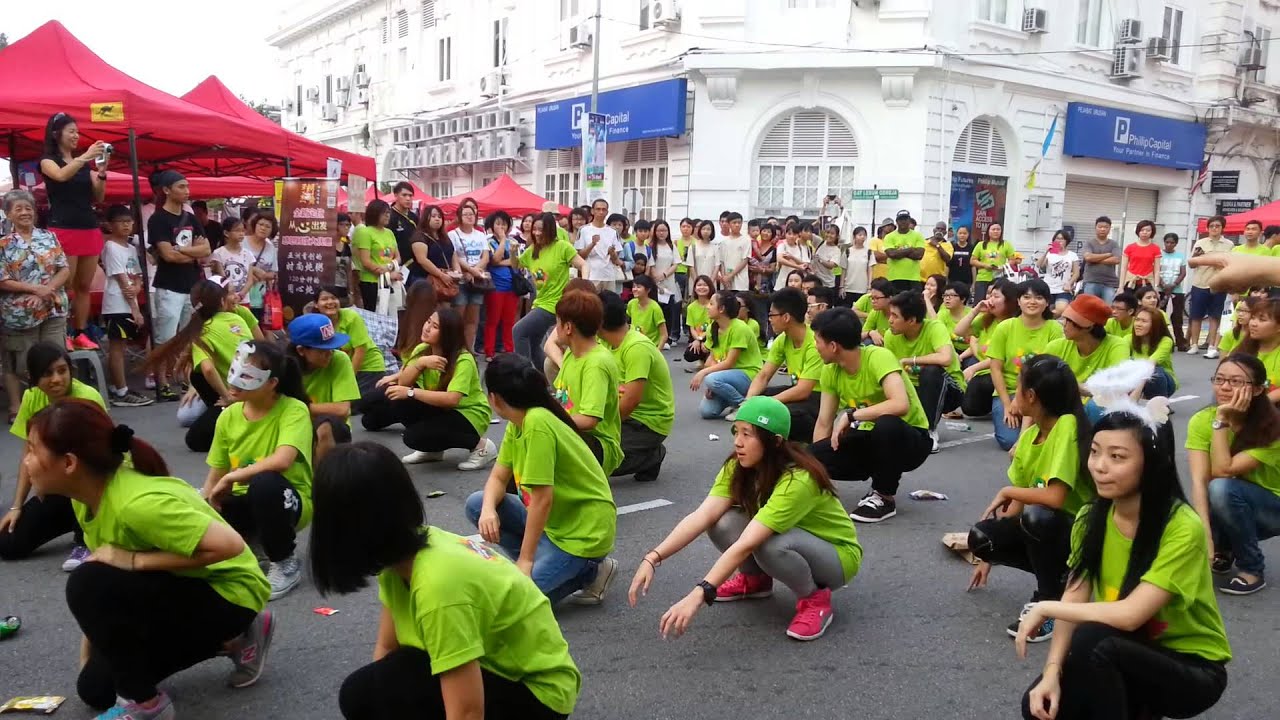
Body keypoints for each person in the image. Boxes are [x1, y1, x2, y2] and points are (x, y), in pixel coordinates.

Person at [24, 401, 273, 720]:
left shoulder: (136, 504)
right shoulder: (85, 499)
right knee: (96, 688)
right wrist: (96, 653)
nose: (27, 461)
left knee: (86, 581)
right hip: (183, 588)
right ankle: (240, 639)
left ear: (69, 462)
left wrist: (132, 560)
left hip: (231, 594)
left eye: (32, 450)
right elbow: (106, 585)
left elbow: (231, 545)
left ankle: (147, 705)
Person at [309, 443, 581, 719]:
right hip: (498, 671)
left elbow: (467, 713)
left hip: (539, 696)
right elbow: (388, 651)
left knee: (386, 684)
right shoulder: (401, 555)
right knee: (365, 692)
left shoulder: (438, 585)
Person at [1016, 410, 1230, 720]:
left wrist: (1045, 608)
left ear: (1151, 463)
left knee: (1093, 640)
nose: (1099, 466)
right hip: (1125, 647)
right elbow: (1075, 594)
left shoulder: (1182, 526)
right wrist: (1052, 671)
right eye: (1094, 452)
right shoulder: (1091, 518)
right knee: (1039, 708)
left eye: (1117, 457)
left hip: (1192, 668)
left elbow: (1131, 614)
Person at [628, 395, 860, 641]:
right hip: (791, 538)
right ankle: (755, 580)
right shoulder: (738, 466)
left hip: (836, 556)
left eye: (747, 434)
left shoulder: (798, 479)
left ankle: (814, 600)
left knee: (769, 544)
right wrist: (653, 558)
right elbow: (702, 515)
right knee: (721, 522)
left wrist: (699, 594)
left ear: (775, 441)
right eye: (735, 432)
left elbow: (748, 542)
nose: (738, 442)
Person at [466, 354, 619, 605]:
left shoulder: (537, 423)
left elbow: (541, 500)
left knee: (513, 605)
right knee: (477, 502)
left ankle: (590, 572)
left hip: (581, 535)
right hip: (554, 525)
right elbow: (497, 477)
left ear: (494, 398)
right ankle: (547, 565)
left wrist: (525, 562)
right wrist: (487, 511)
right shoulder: (520, 421)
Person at [968, 355, 1093, 641]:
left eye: (1019, 387)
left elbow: (1055, 497)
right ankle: (1062, 577)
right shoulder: (1029, 436)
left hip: (1080, 531)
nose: (1014, 394)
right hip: (1051, 528)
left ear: (1032, 396)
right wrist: (988, 553)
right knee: (980, 536)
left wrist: (1007, 491)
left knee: (1038, 516)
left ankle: (1049, 604)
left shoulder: (1067, 425)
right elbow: (1018, 506)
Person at [203, 341, 314, 600]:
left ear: (272, 382)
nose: (235, 382)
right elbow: (215, 476)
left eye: (248, 375)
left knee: (265, 484)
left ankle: (285, 562)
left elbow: (282, 461)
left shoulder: (293, 410)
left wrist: (234, 475)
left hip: (287, 499)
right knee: (207, 503)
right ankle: (255, 545)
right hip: (244, 499)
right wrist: (205, 508)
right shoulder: (227, 417)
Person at [808, 309, 931, 523]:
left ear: (833, 346)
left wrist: (852, 415)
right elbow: (824, 421)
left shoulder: (878, 356)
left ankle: (884, 496)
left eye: (817, 341)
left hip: (909, 441)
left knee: (886, 424)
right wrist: (818, 470)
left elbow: (900, 404)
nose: (815, 347)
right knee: (809, 456)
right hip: (869, 441)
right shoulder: (830, 370)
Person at [0, 342, 102, 569]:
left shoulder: (87, 397)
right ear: (33, 378)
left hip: (91, 484)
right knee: (8, 543)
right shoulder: (31, 398)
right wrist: (16, 506)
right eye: (47, 373)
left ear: (70, 371)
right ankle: (71, 518)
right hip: (60, 487)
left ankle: (86, 536)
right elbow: (29, 453)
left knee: (79, 469)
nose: (56, 379)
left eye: (62, 370)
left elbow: (99, 458)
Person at [1187, 353, 1280, 597]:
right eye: (1220, 379)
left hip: (1273, 507)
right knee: (1193, 499)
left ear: (1258, 389)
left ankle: (1252, 569)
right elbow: (1198, 480)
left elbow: (1222, 470)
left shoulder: (1273, 426)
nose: (1225, 387)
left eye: (1237, 381)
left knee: (1221, 488)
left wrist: (1221, 420)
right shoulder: (1200, 420)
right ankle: (1223, 548)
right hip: (1236, 498)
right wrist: (1204, 537)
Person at [363, 307, 495, 470]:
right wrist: (420, 364)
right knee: (398, 400)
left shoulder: (463, 359)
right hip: (441, 408)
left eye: (435, 327)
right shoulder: (422, 349)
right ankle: (433, 449)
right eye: (428, 322)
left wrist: (412, 393)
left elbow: (452, 400)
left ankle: (482, 446)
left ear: (448, 334)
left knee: (413, 436)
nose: (427, 327)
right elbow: (403, 383)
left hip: (469, 414)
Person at [146, 279, 256, 451]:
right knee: (194, 389)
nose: (236, 296)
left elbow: (208, 368)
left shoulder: (201, 330)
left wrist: (227, 397)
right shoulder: (237, 318)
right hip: (255, 387)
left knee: (194, 440)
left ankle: (236, 421)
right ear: (222, 300)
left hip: (238, 395)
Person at [0, 190, 72, 420]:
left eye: (28, 208)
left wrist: (46, 291)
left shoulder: (48, 237)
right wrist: (34, 289)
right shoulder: (3, 244)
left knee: (55, 357)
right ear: (8, 214)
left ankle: (54, 405)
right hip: (19, 313)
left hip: (52, 307)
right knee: (18, 362)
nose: (24, 212)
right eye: (18, 209)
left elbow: (64, 268)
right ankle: (17, 407)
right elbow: (2, 279)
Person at [38, 113, 107, 350]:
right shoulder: (48, 161)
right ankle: (63, 333)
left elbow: (98, 197)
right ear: (56, 134)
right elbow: (60, 176)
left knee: (84, 286)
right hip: (63, 228)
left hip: (88, 226)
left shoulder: (84, 164)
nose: (76, 136)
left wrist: (101, 172)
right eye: (72, 131)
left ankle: (80, 332)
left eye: (77, 132)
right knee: (66, 287)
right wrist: (86, 156)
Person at [147, 171, 211, 401]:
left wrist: (182, 251)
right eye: (181, 187)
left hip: (191, 286)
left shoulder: (191, 218)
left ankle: (183, 378)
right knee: (166, 337)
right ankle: (161, 381)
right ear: (166, 190)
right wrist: (190, 254)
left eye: (187, 186)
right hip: (169, 286)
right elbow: (166, 255)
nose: (187, 191)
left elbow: (206, 251)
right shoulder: (158, 219)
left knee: (187, 336)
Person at [598, 291, 672, 483]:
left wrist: (601, 426)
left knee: (594, 459)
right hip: (621, 414)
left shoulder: (636, 347)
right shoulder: (604, 343)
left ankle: (651, 456)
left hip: (646, 422)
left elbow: (630, 402)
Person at [883, 290, 966, 452]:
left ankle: (929, 430)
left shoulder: (935, 327)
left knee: (931, 372)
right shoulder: (890, 336)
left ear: (912, 320)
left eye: (895, 316)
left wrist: (910, 360)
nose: (890, 320)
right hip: (913, 392)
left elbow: (946, 358)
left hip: (949, 390)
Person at [551, 291, 623, 474]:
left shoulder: (596, 363)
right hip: (572, 432)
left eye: (557, 322)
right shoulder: (570, 353)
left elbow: (589, 420)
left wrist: (548, 421)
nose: (555, 328)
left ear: (568, 327)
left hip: (598, 442)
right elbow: (562, 399)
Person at [744, 288, 824, 441]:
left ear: (786, 317)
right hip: (798, 392)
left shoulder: (815, 343)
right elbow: (764, 375)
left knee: (777, 412)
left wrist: (768, 404)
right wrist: (749, 401)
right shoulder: (783, 339)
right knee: (760, 396)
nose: (769, 319)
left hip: (818, 399)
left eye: (772, 315)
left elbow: (804, 390)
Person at [512, 212, 588, 369]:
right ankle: (546, 381)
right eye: (535, 229)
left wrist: (584, 286)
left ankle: (523, 376)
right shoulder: (533, 249)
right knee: (533, 344)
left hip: (555, 304)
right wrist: (513, 252)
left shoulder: (562, 247)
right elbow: (517, 265)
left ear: (550, 229)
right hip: (540, 301)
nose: (537, 233)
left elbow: (584, 265)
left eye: (541, 229)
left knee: (519, 331)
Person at [1044, 294, 1131, 422]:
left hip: (1096, 410)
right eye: (1065, 319)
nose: (1064, 324)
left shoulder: (1117, 345)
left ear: (1089, 326)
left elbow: (1116, 388)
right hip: (1063, 406)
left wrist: (1067, 383)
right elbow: (1038, 381)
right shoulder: (1056, 346)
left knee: (1097, 406)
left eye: (1069, 321)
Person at [98, 205, 152, 407]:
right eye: (121, 222)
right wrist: (135, 309)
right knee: (117, 348)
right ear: (110, 225)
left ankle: (119, 386)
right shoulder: (111, 247)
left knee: (122, 345)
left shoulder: (130, 248)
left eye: (129, 221)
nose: (127, 225)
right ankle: (120, 391)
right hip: (116, 304)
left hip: (129, 301)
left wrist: (137, 287)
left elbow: (136, 276)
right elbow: (121, 279)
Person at [287, 314, 358, 461]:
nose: (330, 353)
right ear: (301, 350)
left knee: (325, 426)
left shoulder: (339, 359)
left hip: (331, 429)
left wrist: (297, 408)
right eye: (322, 350)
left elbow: (342, 410)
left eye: (332, 347)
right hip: (292, 427)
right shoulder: (283, 368)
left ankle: (322, 481)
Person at [691, 291, 765, 419]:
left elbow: (729, 362)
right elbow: (712, 358)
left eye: (711, 304)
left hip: (748, 373)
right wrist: (712, 385)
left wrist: (704, 374)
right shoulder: (712, 328)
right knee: (707, 411)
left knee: (711, 379)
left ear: (722, 309)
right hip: (728, 375)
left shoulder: (739, 328)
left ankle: (743, 406)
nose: (707, 307)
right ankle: (736, 399)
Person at [956, 278, 1018, 419]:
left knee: (985, 383)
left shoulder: (1013, 324)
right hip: (982, 368)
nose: (990, 299)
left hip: (1000, 371)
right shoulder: (987, 319)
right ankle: (993, 405)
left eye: (996, 296)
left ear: (1010, 301)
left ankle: (1000, 403)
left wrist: (973, 368)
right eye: (990, 295)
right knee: (969, 408)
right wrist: (976, 310)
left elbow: (1000, 358)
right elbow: (959, 331)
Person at [311, 285, 387, 399]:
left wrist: (348, 381)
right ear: (316, 304)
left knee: (348, 402)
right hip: (342, 368)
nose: (330, 302)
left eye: (333, 298)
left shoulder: (351, 317)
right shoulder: (315, 322)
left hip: (367, 368)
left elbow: (360, 351)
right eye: (325, 299)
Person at [1186, 215, 1234, 358]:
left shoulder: (1229, 244)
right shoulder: (1201, 243)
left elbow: (1228, 263)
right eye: (1211, 226)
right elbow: (1192, 263)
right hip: (1200, 283)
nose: (1214, 229)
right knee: (1196, 315)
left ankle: (1212, 345)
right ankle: (1194, 344)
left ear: (1222, 228)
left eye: (1217, 226)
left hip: (1219, 283)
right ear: (1208, 228)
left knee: (1215, 315)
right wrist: (1196, 257)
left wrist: (1207, 260)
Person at [448, 204, 491, 351]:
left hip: (478, 280)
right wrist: (470, 271)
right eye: (466, 214)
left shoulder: (480, 235)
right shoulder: (453, 234)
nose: (469, 216)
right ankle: (455, 348)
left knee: (473, 319)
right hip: (461, 279)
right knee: (459, 316)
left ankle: (468, 349)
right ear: (459, 217)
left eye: (472, 214)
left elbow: (485, 256)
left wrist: (476, 271)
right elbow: (455, 256)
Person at [352, 199, 403, 311]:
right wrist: (387, 274)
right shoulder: (365, 232)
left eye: (388, 212)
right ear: (374, 213)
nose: (387, 215)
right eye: (384, 213)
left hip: (390, 280)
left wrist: (389, 268)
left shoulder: (389, 232)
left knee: (391, 312)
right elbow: (366, 261)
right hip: (372, 281)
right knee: (375, 313)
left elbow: (398, 257)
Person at [482, 210, 518, 361]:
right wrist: (503, 240)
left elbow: (516, 263)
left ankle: (509, 350)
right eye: (498, 223)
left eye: (504, 224)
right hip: (496, 287)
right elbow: (495, 260)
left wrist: (510, 259)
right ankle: (489, 352)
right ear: (492, 225)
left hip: (512, 287)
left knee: (509, 321)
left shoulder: (513, 242)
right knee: (493, 321)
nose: (501, 227)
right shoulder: (489, 241)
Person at [575, 199, 624, 293]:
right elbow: (580, 256)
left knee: (609, 305)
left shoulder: (613, 231)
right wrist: (592, 244)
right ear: (592, 211)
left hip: (608, 275)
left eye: (603, 209)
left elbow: (615, 259)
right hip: (591, 275)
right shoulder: (584, 230)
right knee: (591, 304)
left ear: (607, 212)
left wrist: (612, 252)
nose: (601, 212)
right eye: (598, 209)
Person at [407, 205, 458, 293]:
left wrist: (457, 273)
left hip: (446, 280)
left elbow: (453, 255)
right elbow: (422, 260)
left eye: (439, 217)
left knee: (447, 305)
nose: (437, 219)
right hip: (425, 280)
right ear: (426, 218)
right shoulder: (419, 237)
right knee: (429, 305)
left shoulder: (444, 237)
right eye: (433, 216)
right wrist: (441, 275)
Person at [1239, 295, 1280, 402]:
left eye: (1262, 319)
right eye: (1253, 318)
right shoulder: (1242, 350)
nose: (1253, 324)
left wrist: (1264, 402)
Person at [1131, 307, 1177, 399]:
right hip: (1135, 379)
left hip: (1163, 382)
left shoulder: (1165, 341)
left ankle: (1160, 404)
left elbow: (1150, 365)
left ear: (1155, 325)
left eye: (1144, 321)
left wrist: (1136, 393)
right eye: (1137, 320)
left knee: (1155, 372)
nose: (1138, 324)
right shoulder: (1128, 339)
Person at [242, 213, 279, 322]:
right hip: (241, 294)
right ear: (254, 225)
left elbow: (274, 272)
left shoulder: (271, 248)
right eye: (260, 224)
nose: (263, 228)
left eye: (268, 226)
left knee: (259, 326)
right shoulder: (242, 242)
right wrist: (253, 270)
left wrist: (264, 275)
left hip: (260, 297)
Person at [210, 216, 256, 301]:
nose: (241, 233)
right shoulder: (218, 253)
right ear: (226, 233)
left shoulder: (248, 254)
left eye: (243, 230)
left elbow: (250, 280)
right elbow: (222, 277)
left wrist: (241, 295)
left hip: (244, 299)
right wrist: (232, 295)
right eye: (237, 230)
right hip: (227, 299)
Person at [882, 210, 926, 294]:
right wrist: (910, 249)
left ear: (909, 220)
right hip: (894, 278)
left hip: (913, 278)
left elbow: (919, 255)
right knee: (895, 305)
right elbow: (891, 254)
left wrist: (899, 252)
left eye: (905, 219)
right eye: (900, 219)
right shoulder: (889, 237)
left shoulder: (918, 236)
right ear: (897, 222)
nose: (903, 222)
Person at [1158, 232, 1189, 351]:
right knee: (1161, 316)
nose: (1169, 245)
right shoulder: (1159, 255)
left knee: (1177, 317)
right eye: (1167, 242)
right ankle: (1165, 342)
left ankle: (1180, 342)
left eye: (1172, 243)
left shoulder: (1180, 256)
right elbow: (1155, 270)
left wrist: (1174, 284)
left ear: (1176, 244)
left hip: (1177, 289)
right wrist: (1164, 285)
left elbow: (1183, 272)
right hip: (1161, 289)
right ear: (1164, 242)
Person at [1079, 216, 1120, 302]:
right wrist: (1108, 254)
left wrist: (1095, 259)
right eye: (1100, 227)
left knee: (1109, 309)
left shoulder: (1114, 244)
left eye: (1105, 227)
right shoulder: (1089, 242)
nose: (1102, 229)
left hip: (1109, 283)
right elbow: (1088, 257)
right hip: (1091, 281)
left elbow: (1116, 260)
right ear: (1095, 227)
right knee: (1090, 308)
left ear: (1109, 229)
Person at [972, 222, 1015, 302]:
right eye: (993, 229)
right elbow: (973, 261)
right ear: (988, 231)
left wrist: (1003, 267)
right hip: (982, 278)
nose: (996, 231)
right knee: (979, 302)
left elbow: (1012, 260)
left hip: (999, 279)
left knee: (997, 302)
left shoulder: (1006, 244)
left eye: (998, 229)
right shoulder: (981, 244)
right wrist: (985, 265)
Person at [1038, 229, 1080, 311]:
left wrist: (1070, 283)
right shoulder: (1050, 254)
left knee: (1061, 309)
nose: (1059, 241)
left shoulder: (1072, 255)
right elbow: (1039, 265)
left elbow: (1076, 273)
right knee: (1046, 309)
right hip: (1048, 286)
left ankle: (1049, 321)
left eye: (1062, 239)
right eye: (1057, 238)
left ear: (1066, 241)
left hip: (1063, 288)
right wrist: (1046, 251)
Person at [626, 274, 667, 348]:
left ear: (648, 290)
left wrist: (657, 352)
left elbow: (664, 335)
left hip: (651, 346)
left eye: (638, 287)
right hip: (635, 344)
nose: (635, 289)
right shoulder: (631, 303)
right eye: (634, 286)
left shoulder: (655, 308)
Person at [682, 274, 714, 367]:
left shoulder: (713, 304)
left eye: (705, 285)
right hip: (697, 336)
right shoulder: (691, 307)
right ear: (695, 288)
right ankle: (702, 358)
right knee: (689, 354)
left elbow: (713, 327)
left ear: (710, 287)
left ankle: (711, 357)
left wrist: (701, 339)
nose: (702, 288)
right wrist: (697, 340)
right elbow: (692, 328)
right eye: (699, 285)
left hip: (711, 335)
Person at [1120, 220, 1162, 291]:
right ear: (1138, 231)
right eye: (1142, 230)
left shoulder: (1156, 248)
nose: (1145, 232)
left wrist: (1156, 286)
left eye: (1148, 230)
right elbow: (1124, 268)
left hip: (1147, 282)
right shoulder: (1130, 247)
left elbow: (1157, 270)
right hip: (1131, 282)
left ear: (1152, 232)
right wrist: (1121, 286)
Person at [718, 212, 752, 292]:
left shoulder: (746, 240)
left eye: (739, 223)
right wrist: (724, 277)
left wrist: (731, 275)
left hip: (741, 281)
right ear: (729, 224)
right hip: (726, 281)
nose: (737, 225)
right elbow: (721, 262)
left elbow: (745, 260)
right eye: (734, 223)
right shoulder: (724, 242)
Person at [387, 181, 420, 264]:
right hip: (396, 264)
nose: (408, 198)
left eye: (410, 195)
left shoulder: (414, 217)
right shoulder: (388, 216)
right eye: (404, 195)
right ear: (395, 195)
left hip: (415, 263)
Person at [842, 225, 876, 303]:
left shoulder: (869, 252)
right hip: (848, 287)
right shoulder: (848, 251)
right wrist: (841, 286)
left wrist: (869, 287)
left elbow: (870, 270)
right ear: (854, 236)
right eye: (860, 235)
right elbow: (844, 270)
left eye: (864, 235)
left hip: (863, 288)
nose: (862, 237)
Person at [333, 212, 356, 291]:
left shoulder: (346, 246)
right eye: (343, 225)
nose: (346, 228)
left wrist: (351, 291)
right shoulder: (327, 246)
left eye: (348, 225)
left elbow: (349, 271)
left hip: (343, 288)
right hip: (329, 289)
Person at [948, 225, 974, 290]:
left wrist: (974, 283)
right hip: (953, 280)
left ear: (968, 235)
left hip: (967, 281)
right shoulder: (952, 246)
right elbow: (948, 265)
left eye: (964, 233)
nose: (962, 235)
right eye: (960, 233)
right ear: (957, 234)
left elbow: (973, 266)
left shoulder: (972, 248)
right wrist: (946, 280)